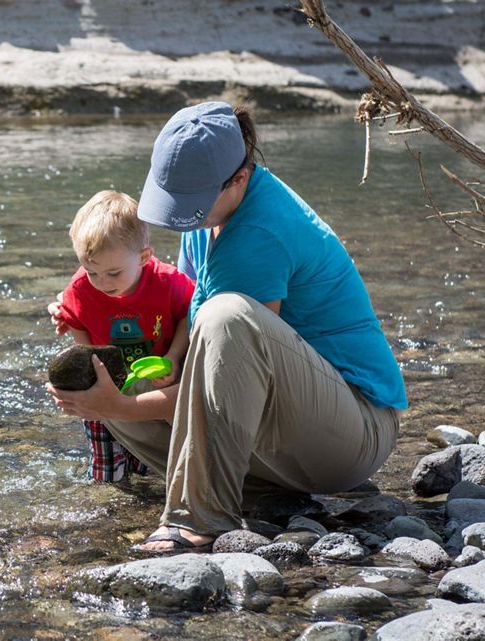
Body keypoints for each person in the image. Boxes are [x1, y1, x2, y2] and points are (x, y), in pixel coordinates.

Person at [47, 101, 407, 555]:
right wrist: (90, 321)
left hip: (354, 431)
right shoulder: (205, 217)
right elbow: (187, 347)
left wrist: (118, 407)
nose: (181, 213)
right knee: (115, 373)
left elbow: (222, 372)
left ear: (238, 179)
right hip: (287, 432)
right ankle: (259, 496)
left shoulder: (259, 233)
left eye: (190, 202)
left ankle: (199, 518)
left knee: (226, 315)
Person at [57, 190, 195, 483]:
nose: (101, 283)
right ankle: (108, 491)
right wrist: (90, 364)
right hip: (109, 382)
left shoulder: (167, 282)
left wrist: (173, 357)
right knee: (106, 470)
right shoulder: (82, 286)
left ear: (144, 257)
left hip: (158, 377)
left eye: (113, 273)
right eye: (92, 272)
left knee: (152, 459)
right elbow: (74, 318)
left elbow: (188, 314)